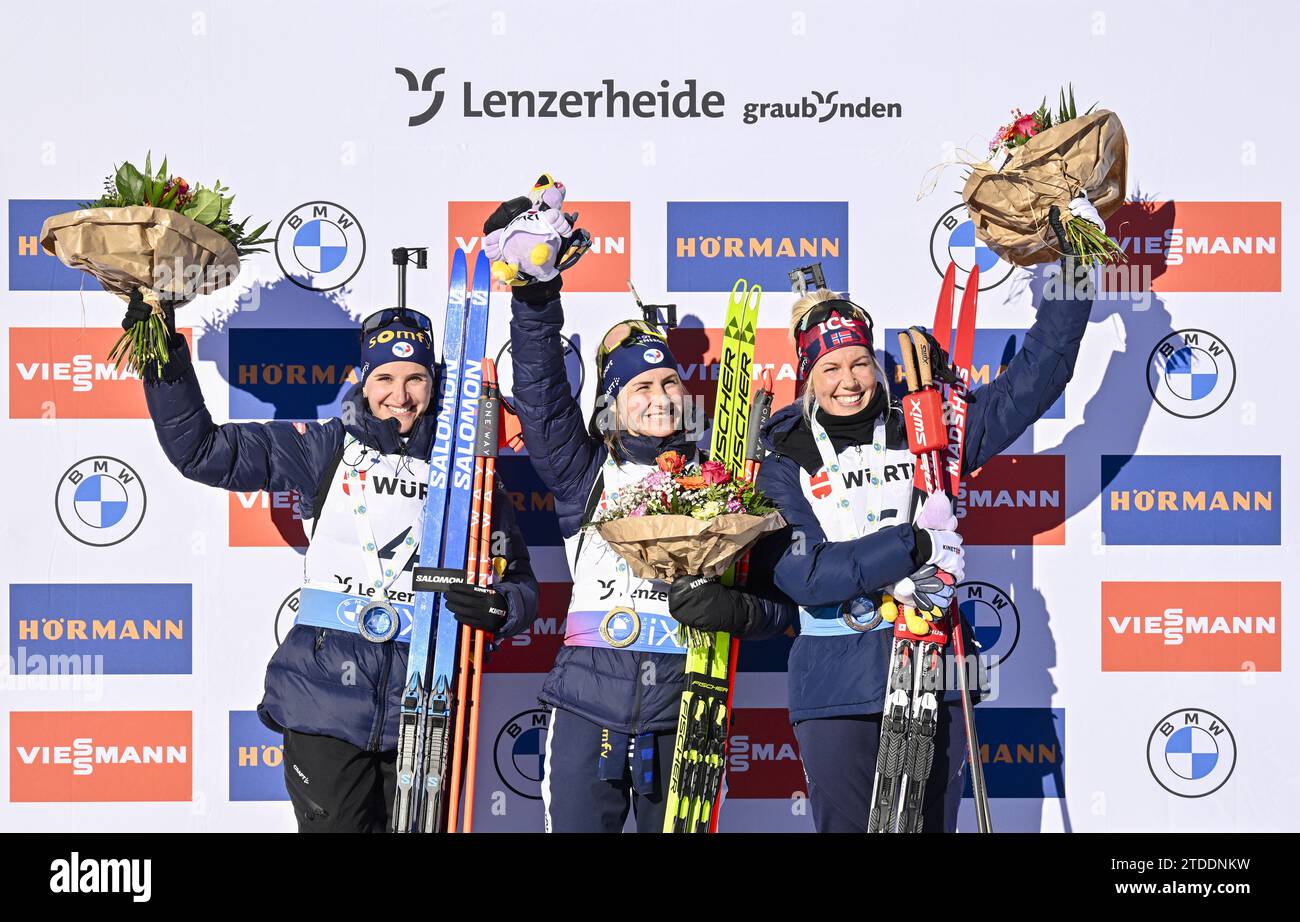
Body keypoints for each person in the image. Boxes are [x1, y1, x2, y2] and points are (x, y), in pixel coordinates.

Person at [749, 201, 1102, 832]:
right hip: (836, 690)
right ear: (808, 378)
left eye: (858, 361)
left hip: (930, 669)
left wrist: (1075, 263)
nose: (848, 379)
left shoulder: (927, 428)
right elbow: (805, 576)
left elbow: (1037, 379)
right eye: (829, 367)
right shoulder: (784, 454)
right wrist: (910, 547)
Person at [132, 292, 539, 833]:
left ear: (434, 384)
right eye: (384, 379)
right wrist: (162, 353)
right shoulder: (325, 448)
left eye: (415, 378)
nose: (400, 395)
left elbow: (518, 584)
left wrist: (499, 607)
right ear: (363, 383)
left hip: (424, 707)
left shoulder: (469, 476)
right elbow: (203, 452)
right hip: (322, 702)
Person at [490, 179, 797, 833]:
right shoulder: (585, 474)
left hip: (686, 713)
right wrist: (536, 295)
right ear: (611, 400)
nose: (658, 395)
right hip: (584, 712)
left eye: (668, 382)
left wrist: (731, 609)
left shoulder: (722, 483)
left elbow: (780, 609)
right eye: (640, 386)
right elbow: (540, 393)